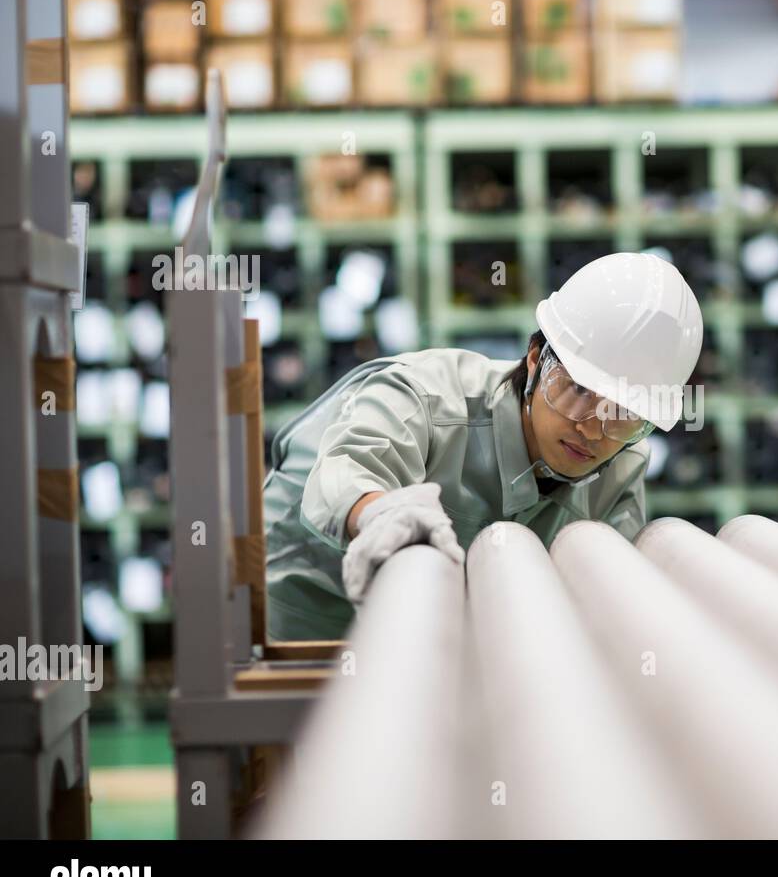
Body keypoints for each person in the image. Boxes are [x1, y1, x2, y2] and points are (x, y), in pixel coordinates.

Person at [262, 252, 704, 640]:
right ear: (535, 360)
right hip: (299, 634)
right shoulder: (427, 398)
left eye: (623, 413)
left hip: (439, 648)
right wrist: (380, 515)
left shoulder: (622, 465)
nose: (592, 430)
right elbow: (349, 471)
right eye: (578, 390)